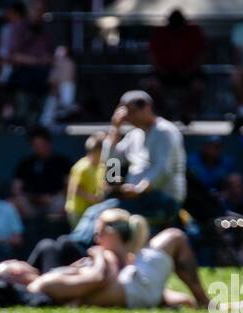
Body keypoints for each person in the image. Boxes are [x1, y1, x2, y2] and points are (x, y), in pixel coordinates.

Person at [0, 208, 218, 310]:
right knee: (175, 237)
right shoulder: (41, 285)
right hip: (133, 287)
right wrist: (99, 255)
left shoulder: (46, 282)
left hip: (133, 287)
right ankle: (204, 302)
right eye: (14, 262)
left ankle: (200, 303)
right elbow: (98, 278)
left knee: (181, 296)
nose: (20, 261)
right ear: (15, 273)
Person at [73, 90, 185, 244]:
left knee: (104, 212)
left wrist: (139, 189)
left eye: (132, 112)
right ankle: (75, 245)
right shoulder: (134, 135)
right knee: (95, 211)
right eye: (126, 114)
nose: (129, 118)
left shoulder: (165, 131)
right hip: (137, 197)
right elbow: (112, 166)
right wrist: (115, 130)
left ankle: (77, 249)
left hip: (163, 199)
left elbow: (163, 170)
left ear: (147, 108)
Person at [148, 8, 206, 123]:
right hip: (164, 73)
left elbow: (202, 55)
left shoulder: (194, 32)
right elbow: (152, 56)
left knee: (197, 86)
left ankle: (187, 112)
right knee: (153, 85)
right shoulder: (160, 33)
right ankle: (163, 112)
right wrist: (161, 70)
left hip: (189, 73)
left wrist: (189, 71)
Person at [11, 126, 70, 237]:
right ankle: (21, 236)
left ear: (48, 143)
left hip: (54, 202)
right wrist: (31, 198)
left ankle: (58, 233)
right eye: (35, 146)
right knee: (12, 204)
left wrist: (51, 198)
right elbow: (16, 188)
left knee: (64, 202)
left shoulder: (62, 162)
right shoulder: (26, 163)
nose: (39, 149)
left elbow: (69, 186)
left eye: (41, 145)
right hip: (31, 203)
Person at [63, 132, 104, 230]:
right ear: (96, 151)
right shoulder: (82, 167)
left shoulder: (102, 166)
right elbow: (75, 189)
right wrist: (95, 199)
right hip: (78, 211)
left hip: (91, 211)